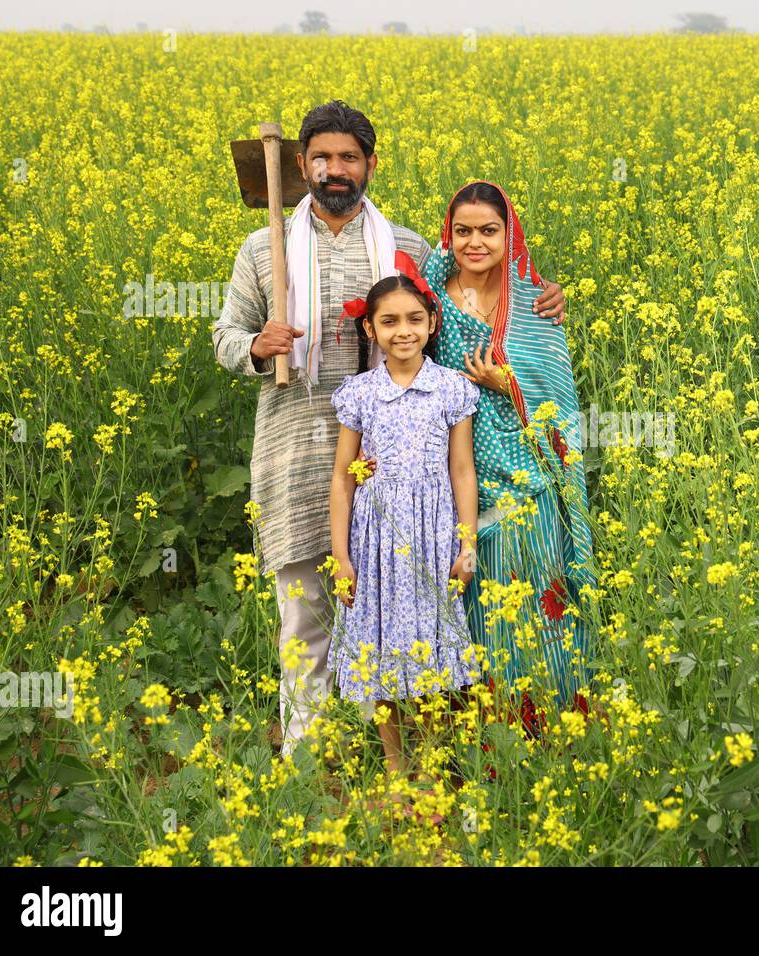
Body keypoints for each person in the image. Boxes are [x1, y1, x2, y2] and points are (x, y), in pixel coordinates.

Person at [211, 100, 565, 757]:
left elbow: (465, 302)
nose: (334, 169)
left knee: (407, 606)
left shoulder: (407, 250)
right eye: (321, 158)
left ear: (371, 164)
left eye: (348, 157)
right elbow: (224, 339)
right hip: (295, 453)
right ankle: (306, 758)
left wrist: (541, 298)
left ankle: (407, 757)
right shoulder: (264, 249)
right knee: (306, 615)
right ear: (301, 165)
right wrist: (258, 345)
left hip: (401, 470)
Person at [424, 181, 598, 734]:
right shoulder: (429, 289)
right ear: (448, 234)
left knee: (538, 603)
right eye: (463, 231)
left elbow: (558, 394)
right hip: (455, 475)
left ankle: (552, 726)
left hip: (529, 478)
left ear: (510, 233)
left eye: (489, 231)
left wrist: (509, 384)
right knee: (478, 610)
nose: (475, 242)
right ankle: (488, 738)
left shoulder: (532, 300)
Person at [327, 251, 480, 810]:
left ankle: (435, 762)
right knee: (383, 654)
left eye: (414, 319)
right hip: (374, 540)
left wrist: (467, 543)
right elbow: (343, 480)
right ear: (370, 328)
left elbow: (461, 470)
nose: (403, 331)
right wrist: (340, 557)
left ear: (432, 322)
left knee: (433, 655)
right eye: (388, 321)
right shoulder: (359, 393)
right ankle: (395, 768)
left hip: (434, 532)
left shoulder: (452, 390)